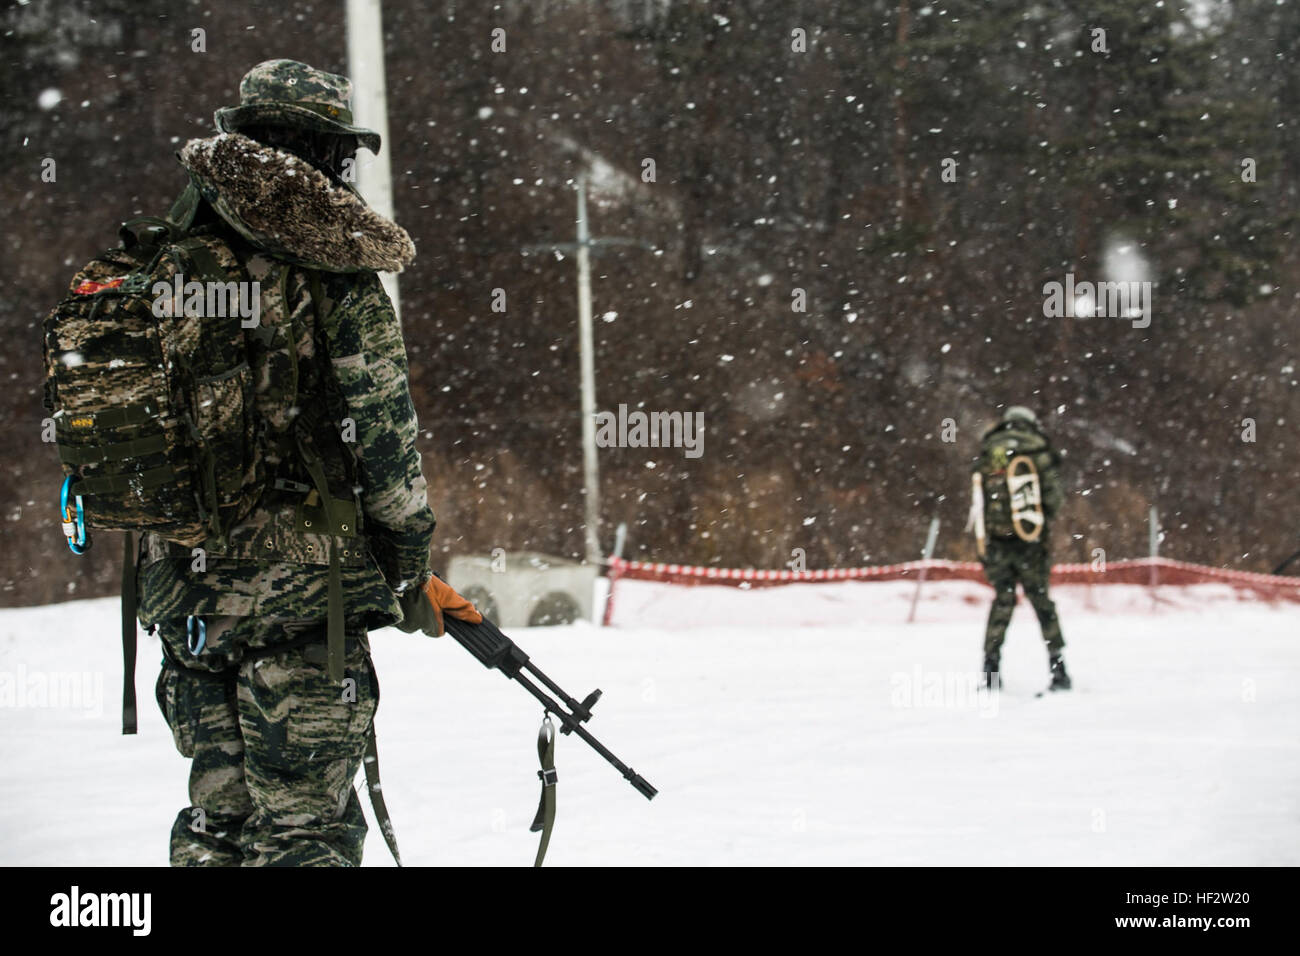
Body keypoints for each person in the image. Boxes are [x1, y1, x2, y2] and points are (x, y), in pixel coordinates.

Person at [136, 59, 477, 866]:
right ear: (323, 155)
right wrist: (403, 565)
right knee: (304, 834)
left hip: (182, 594)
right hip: (302, 595)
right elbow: (387, 438)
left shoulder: (165, 260)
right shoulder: (336, 273)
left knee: (217, 824)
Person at [971, 406, 1070, 692]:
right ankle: (1058, 668)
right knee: (1042, 603)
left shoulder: (989, 449)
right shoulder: (1038, 449)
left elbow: (979, 497)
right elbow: (1053, 500)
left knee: (1002, 601)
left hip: (996, 541)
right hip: (1031, 543)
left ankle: (990, 669)